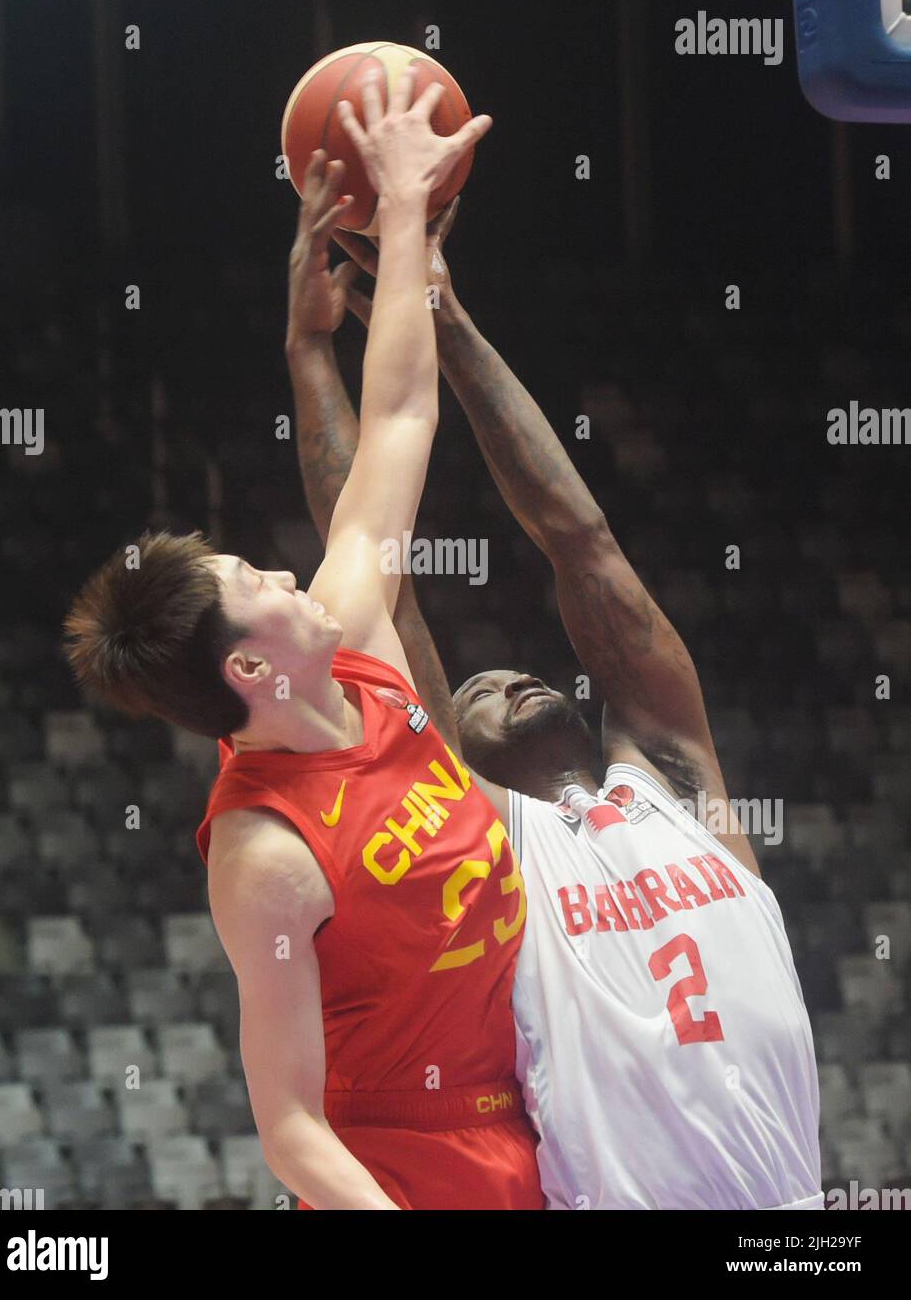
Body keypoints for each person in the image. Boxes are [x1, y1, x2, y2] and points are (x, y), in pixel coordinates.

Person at [64, 71, 546, 1211]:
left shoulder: (361, 639)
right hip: (408, 1168)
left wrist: (402, 214)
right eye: (254, 579)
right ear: (245, 666)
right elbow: (288, 1127)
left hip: (529, 1108)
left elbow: (400, 417)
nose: (287, 569)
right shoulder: (264, 858)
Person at [300, 205, 823, 1211]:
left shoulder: (679, 784)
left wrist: (444, 317)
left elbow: (580, 538)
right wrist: (314, 350)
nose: (508, 679)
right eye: (479, 690)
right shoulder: (490, 844)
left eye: (514, 673)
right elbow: (376, 580)